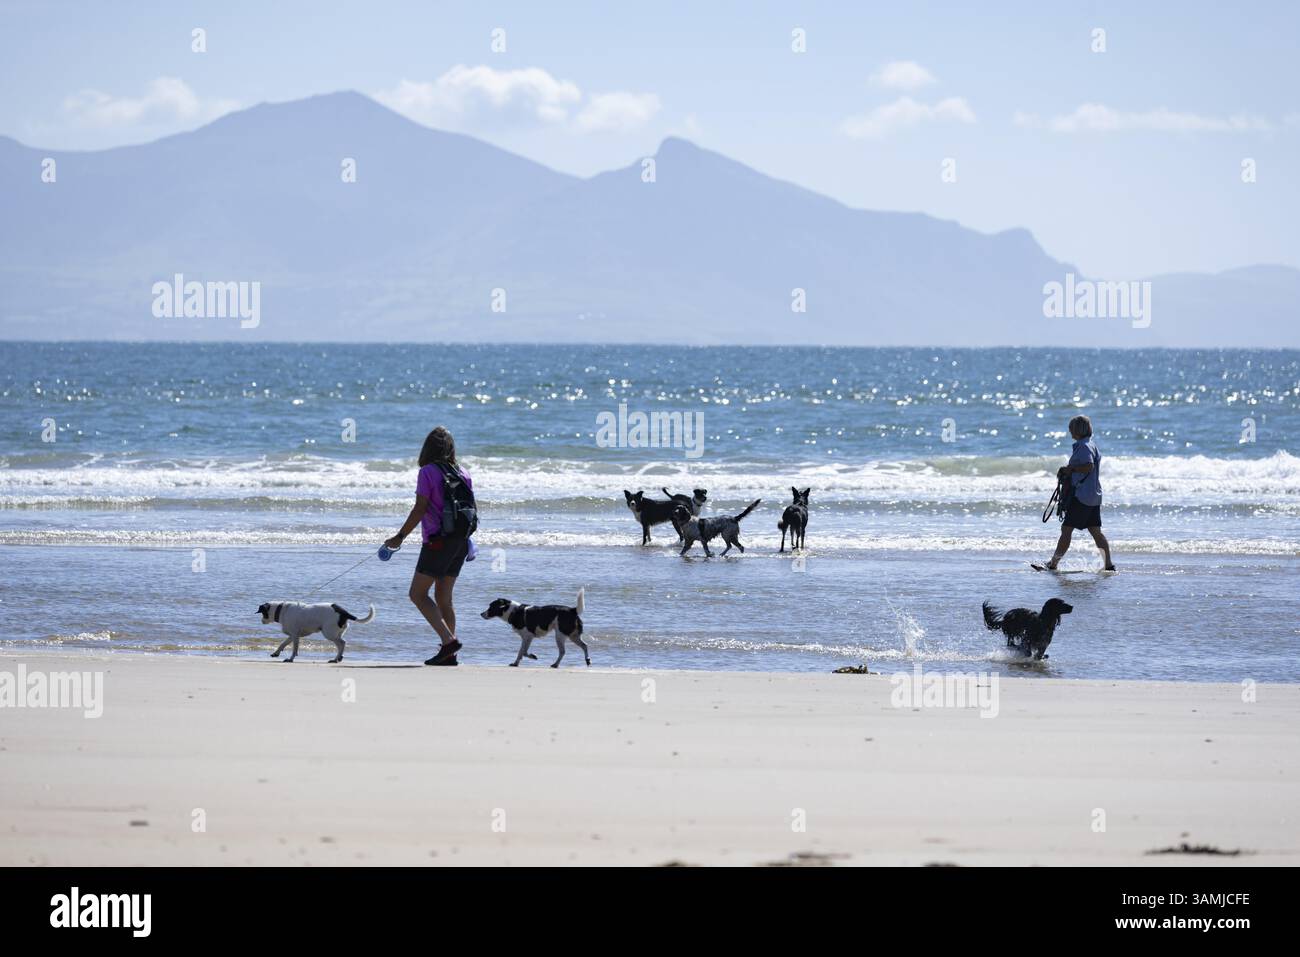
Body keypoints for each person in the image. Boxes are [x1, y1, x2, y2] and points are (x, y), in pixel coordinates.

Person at [386, 426, 475, 665]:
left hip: (437, 542)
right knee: (444, 598)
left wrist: (400, 537)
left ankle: (448, 641)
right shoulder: (463, 472)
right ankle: (450, 655)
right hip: (460, 541)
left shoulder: (427, 472)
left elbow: (420, 509)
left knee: (417, 594)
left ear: (427, 448)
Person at [1045, 414, 1114, 571]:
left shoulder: (1083, 447)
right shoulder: (1091, 444)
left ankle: (1053, 564)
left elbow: (1088, 466)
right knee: (1096, 532)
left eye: (1071, 429)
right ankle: (1108, 565)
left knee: (1066, 529)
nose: (1070, 432)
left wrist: (1069, 469)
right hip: (1093, 496)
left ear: (1077, 430)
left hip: (1082, 496)